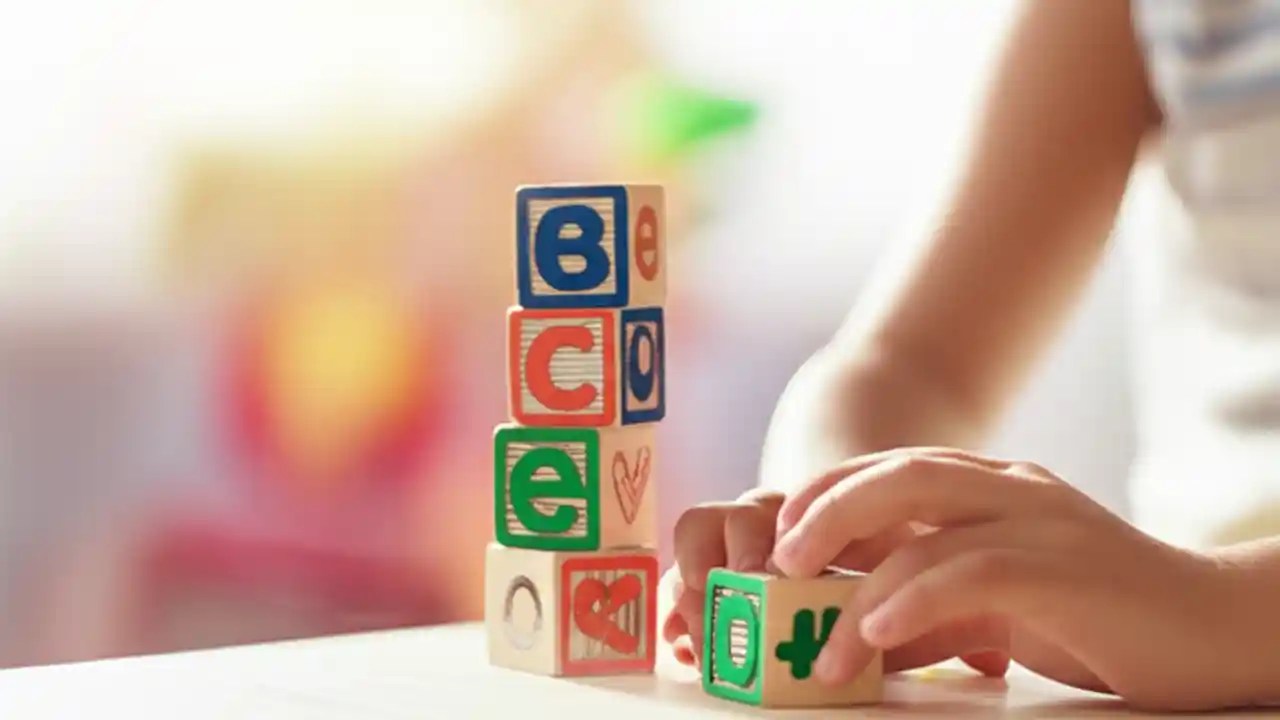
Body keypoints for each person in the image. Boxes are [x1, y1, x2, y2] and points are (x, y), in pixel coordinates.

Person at [660, 0, 1280, 711]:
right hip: (1163, 679)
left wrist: (1209, 606)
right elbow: (906, 365)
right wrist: (828, 532)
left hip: (1179, 645)